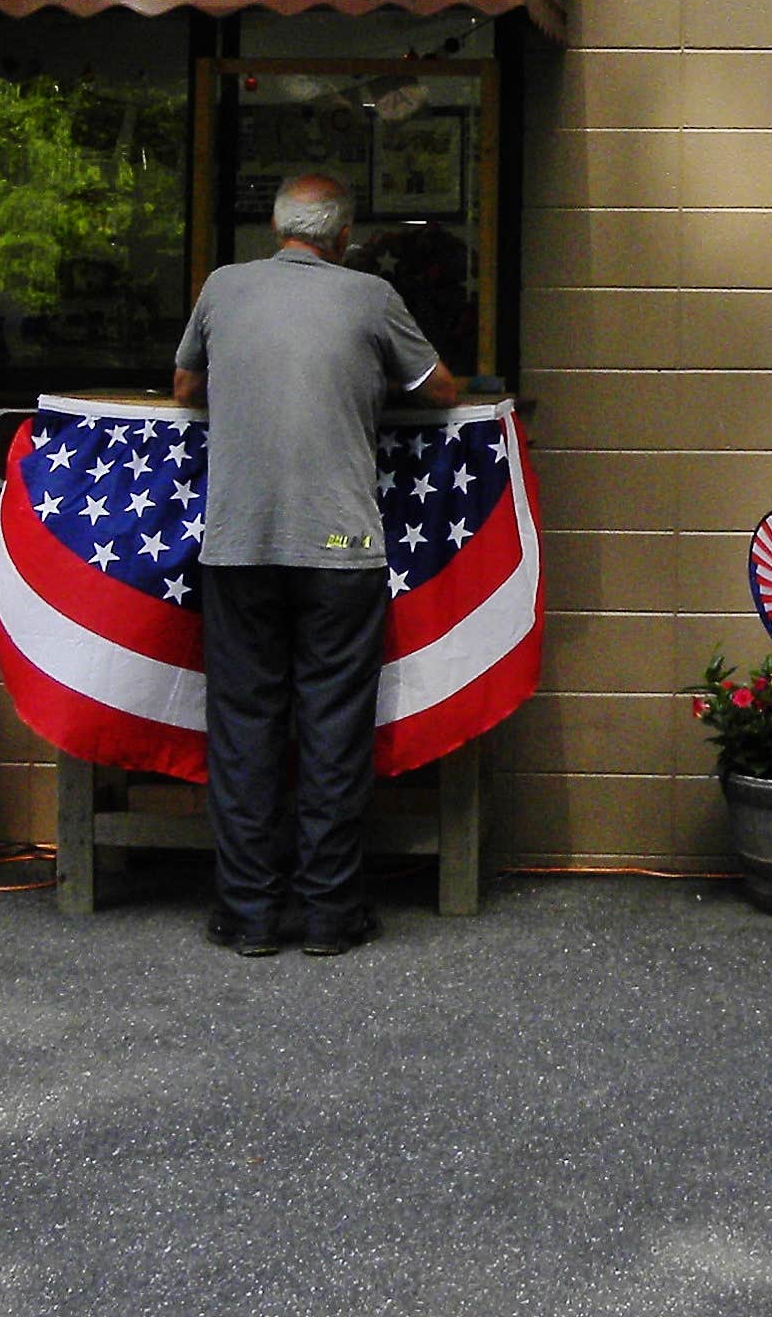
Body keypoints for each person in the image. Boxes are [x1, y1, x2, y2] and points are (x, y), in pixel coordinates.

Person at [170, 172, 463, 956]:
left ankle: (249, 914)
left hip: (239, 542)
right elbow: (439, 389)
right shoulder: (368, 296)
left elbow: (185, 384)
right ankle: (332, 915)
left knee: (244, 729)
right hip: (340, 546)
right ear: (341, 237)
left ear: (275, 227)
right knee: (333, 729)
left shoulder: (224, 287)